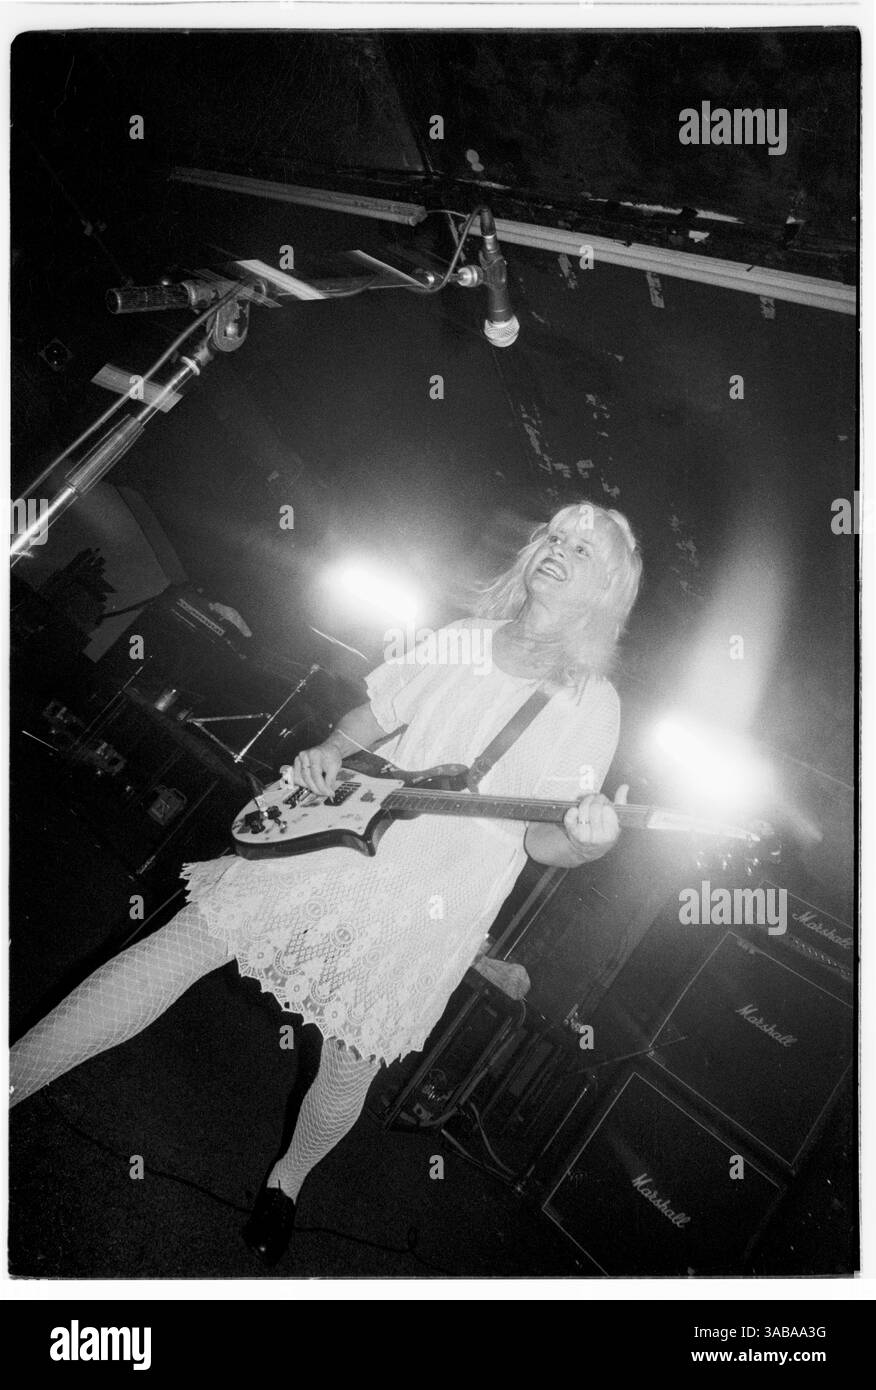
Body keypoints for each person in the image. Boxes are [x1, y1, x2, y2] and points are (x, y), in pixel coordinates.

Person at [10, 501, 642, 1266]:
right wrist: (330, 751)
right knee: (179, 946)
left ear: (606, 590)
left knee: (348, 1064)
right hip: (337, 840)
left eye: (583, 549)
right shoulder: (465, 639)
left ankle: (288, 1180)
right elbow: (370, 717)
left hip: (429, 902)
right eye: (554, 535)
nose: (557, 548)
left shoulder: (590, 704)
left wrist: (585, 841)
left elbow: (545, 840)